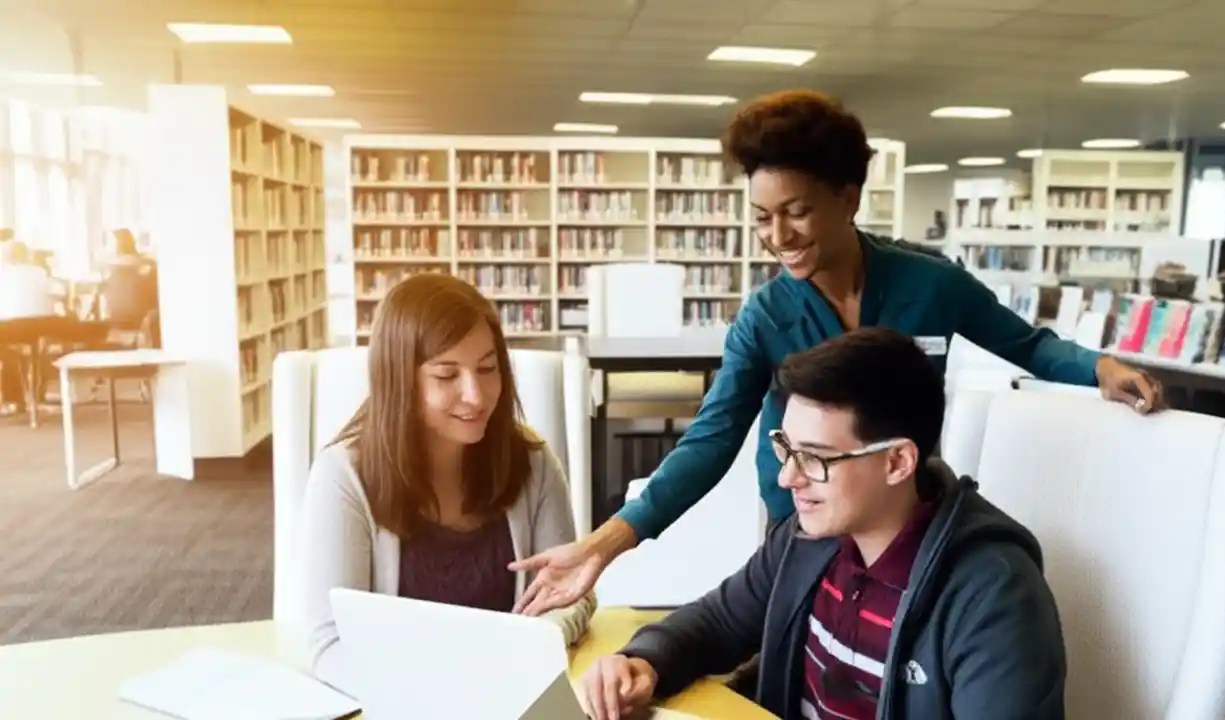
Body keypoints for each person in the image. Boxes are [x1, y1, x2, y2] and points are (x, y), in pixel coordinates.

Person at [511, 89, 1164, 616]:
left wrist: (1098, 368)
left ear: (848, 197)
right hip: (802, 532)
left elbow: (1026, 343)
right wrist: (604, 545)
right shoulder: (765, 317)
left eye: (794, 211)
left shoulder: (930, 285)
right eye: (762, 217)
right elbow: (708, 443)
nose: (777, 235)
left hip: (901, 528)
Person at [580, 329, 1066, 720]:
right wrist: (641, 662)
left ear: (897, 462)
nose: (789, 477)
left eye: (814, 458)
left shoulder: (993, 596)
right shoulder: (811, 538)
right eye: (785, 448)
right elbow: (719, 622)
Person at [298, 272, 596, 693]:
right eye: (446, 376)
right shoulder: (343, 476)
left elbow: (573, 594)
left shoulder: (532, 463)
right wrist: (442, 690)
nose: (475, 395)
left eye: (487, 369)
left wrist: (532, 646)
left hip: (510, 698)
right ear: (400, 380)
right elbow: (329, 643)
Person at [0, 240, 56, 417]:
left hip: (6, 328)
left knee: (7, 354)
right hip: (35, 328)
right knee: (36, 354)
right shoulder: (39, 273)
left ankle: (12, 398)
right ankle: (35, 394)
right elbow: (51, 298)